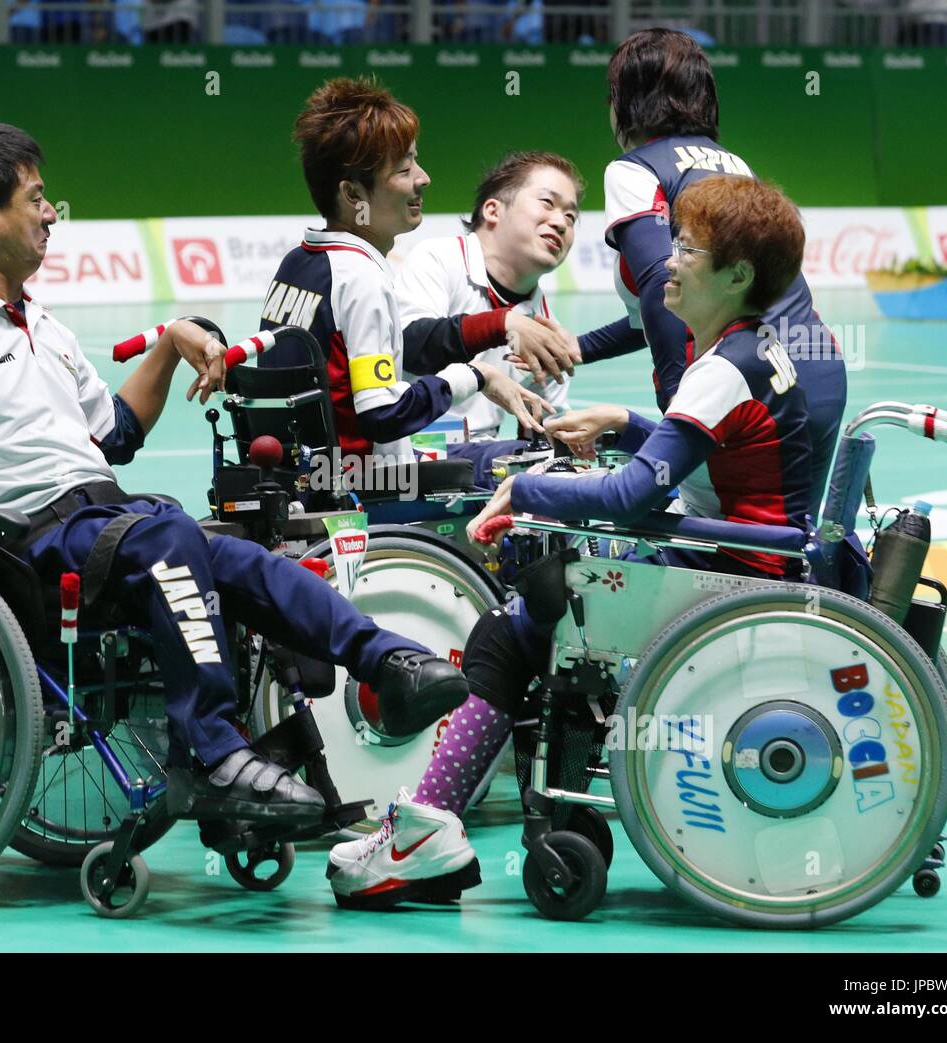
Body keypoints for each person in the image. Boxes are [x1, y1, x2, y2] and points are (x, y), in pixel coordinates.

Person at [0, 120, 469, 828]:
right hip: (19, 545)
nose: (50, 214)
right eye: (35, 199)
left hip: (100, 521)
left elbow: (116, 433)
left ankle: (390, 663)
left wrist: (168, 342)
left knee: (236, 555)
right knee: (169, 537)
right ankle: (218, 756)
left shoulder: (40, 323)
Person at [327, 175, 815, 909]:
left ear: (737, 276)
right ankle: (470, 812)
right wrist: (623, 421)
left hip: (718, 579)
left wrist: (524, 491)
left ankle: (424, 835)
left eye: (687, 249)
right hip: (742, 562)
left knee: (514, 622)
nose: (668, 263)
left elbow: (631, 494)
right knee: (545, 594)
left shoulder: (717, 369)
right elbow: (713, 452)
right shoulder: (756, 348)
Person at [573, 28, 846, 497]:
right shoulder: (734, 164)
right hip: (816, 372)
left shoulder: (634, 169)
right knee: (787, 542)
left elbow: (663, 287)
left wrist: (680, 405)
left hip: (744, 389)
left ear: (627, 101)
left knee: (719, 542)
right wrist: (578, 349)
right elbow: (688, 302)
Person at [257, 77, 550, 486]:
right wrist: (478, 376)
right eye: (404, 168)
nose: (423, 178)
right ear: (353, 193)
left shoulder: (296, 264)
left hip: (302, 479)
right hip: (362, 490)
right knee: (534, 473)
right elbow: (382, 416)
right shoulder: (358, 277)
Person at [395, 150, 583, 487]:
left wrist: (571, 438)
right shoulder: (439, 259)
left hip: (483, 461)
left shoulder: (544, 321)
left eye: (571, 217)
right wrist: (502, 324)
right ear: (493, 210)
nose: (561, 222)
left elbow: (544, 423)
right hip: (410, 456)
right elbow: (412, 344)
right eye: (547, 203)